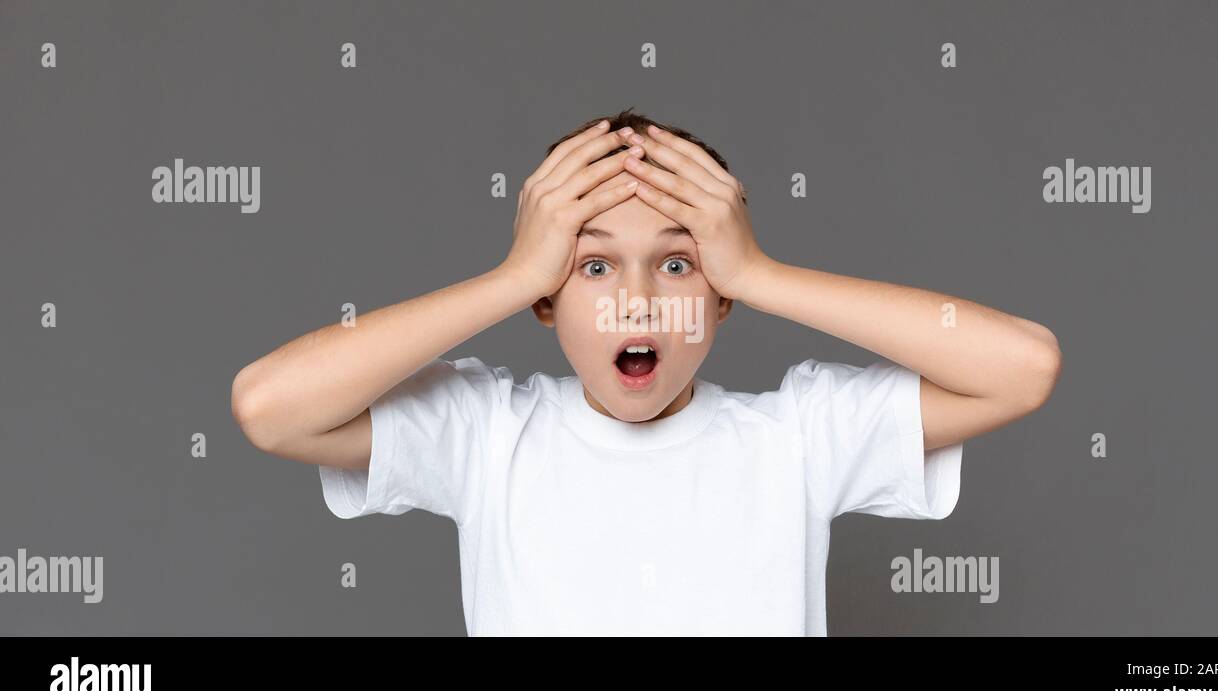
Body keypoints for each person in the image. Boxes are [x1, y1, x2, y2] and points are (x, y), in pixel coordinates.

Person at [230, 108, 1062, 636]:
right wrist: (511, 277)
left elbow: (1022, 367)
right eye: (594, 268)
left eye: (676, 265)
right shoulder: (486, 432)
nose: (638, 301)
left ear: (721, 293)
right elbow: (271, 406)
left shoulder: (799, 437)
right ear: (548, 298)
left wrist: (761, 271)